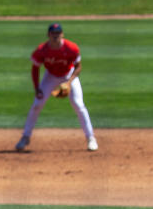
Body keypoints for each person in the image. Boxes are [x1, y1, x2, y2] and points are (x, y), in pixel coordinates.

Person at [15, 22, 98, 152]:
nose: (55, 36)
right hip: (51, 76)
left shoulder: (71, 48)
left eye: (58, 33)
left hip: (68, 75)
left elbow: (78, 67)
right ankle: (25, 137)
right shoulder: (42, 50)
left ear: (62, 34)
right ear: (48, 35)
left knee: (78, 104)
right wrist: (37, 88)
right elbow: (35, 69)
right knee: (37, 104)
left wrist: (69, 82)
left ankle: (91, 138)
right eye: (53, 33)